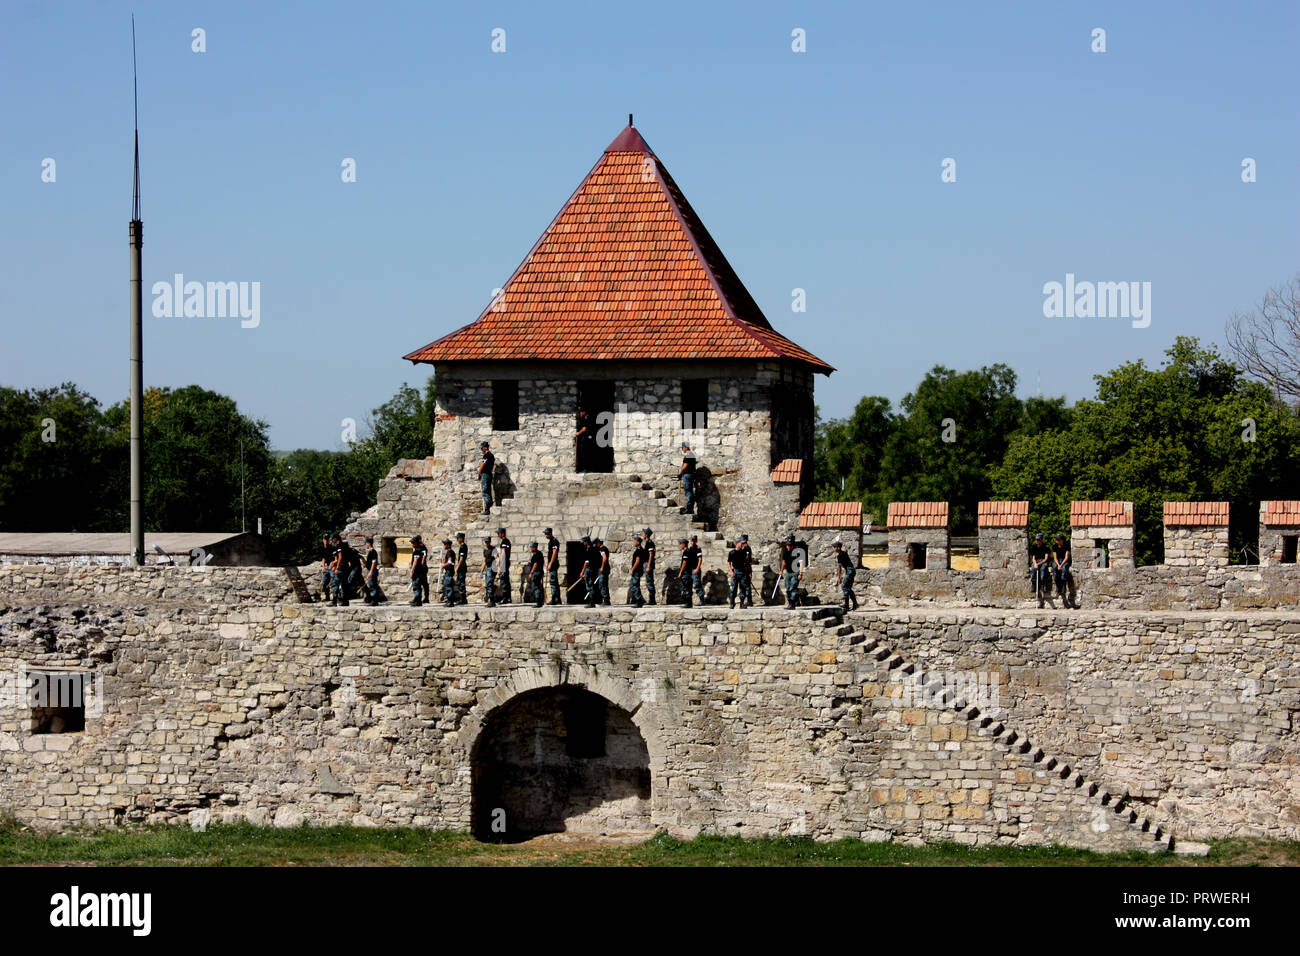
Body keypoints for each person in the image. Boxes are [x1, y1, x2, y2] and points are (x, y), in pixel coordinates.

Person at [1052, 533, 1077, 608]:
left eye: (1059, 540)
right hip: (1057, 561)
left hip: (1064, 561)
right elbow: (1055, 557)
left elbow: (1066, 557)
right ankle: (1058, 587)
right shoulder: (1054, 546)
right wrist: (1058, 565)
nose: (1057, 541)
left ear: (1062, 540)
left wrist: (1061, 564)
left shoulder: (1066, 546)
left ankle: (1063, 587)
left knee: (1064, 571)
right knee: (1055, 570)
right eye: (1057, 540)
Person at [834, 539, 859, 611]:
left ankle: (846, 605)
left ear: (838, 547)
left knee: (844, 587)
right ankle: (855, 604)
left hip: (849, 571)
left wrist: (839, 577)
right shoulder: (844, 553)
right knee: (848, 588)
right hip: (852, 570)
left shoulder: (840, 555)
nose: (834, 548)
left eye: (835, 547)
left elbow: (839, 568)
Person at [779, 535, 802, 609]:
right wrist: (781, 571)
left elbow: (801, 563)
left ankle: (792, 604)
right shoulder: (786, 553)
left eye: (790, 545)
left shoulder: (797, 553)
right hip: (788, 573)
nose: (788, 547)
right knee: (788, 588)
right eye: (787, 545)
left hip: (795, 572)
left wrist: (800, 573)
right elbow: (784, 562)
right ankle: (790, 602)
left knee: (793, 588)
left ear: (793, 545)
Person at [1029, 532, 1050, 608]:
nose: (1038, 541)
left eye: (1039, 540)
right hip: (1036, 561)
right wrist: (1035, 563)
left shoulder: (1046, 547)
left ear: (1042, 540)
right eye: (1037, 540)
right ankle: (1034, 585)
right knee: (1034, 570)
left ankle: (1043, 585)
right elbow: (1033, 558)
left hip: (1043, 561)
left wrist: (1040, 563)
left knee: (1043, 569)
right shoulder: (1034, 547)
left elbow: (1046, 558)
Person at [361, 536, 383, 605]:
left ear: (369, 543)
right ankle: (373, 600)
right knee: (372, 585)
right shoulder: (370, 552)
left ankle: (374, 600)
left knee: (372, 585)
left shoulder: (373, 552)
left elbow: (374, 562)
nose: (366, 545)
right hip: (370, 569)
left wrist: (370, 571)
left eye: (366, 543)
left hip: (372, 570)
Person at [409, 534, 429, 606]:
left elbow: (416, 561)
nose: (412, 544)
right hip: (419, 570)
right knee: (418, 585)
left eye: (413, 543)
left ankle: (418, 600)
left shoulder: (418, 551)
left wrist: (412, 571)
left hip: (418, 570)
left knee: (417, 585)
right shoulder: (418, 549)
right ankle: (417, 599)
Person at [727, 536, 747, 609]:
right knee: (734, 589)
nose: (743, 545)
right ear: (738, 543)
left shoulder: (743, 552)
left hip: (742, 572)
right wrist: (731, 572)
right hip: (735, 571)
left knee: (743, 588)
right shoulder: (732, 553)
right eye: (742, 543)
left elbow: (746, 563)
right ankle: (732, 603)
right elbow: (729, 563)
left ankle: (742, 603)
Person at [544, 528, 562, 605]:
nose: (546, 535)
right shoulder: (551, 541)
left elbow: (554, 553)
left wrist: (550, 563)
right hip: (551, 563)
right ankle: (558, 599)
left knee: (553, 582)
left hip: (554, 564)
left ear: (550, 533)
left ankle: (554, 599)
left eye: (547, 534)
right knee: (554, 582)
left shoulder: (554, 541)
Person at [628, 534, 647, 607]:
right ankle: (639, 600)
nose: (633, 542)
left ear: (638, 542)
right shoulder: (640, 549)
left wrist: (632, 569)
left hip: (637, 570)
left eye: (634, 541)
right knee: (635, 585)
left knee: (635, 585)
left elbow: (637, 561)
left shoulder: (639, 550)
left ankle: (639, 601)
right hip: (638, 570)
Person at [579, 535, 598, 607]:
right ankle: (591, 601)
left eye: (584, 542)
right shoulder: (593, 549)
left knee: (589, 585)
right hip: (593, 569)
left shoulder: (589, 550)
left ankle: (592, 602)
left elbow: (586, 562)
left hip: (589, 569)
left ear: (587, 542)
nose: (583, 543)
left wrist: (582, 572)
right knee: (591, 585)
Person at [679, 443, 697, 515]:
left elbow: (685, 465)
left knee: (688, 492)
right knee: (690, 491)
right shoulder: (692, 455)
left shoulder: (688, 455)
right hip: (691, 474)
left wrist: (680, 473)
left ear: (685, 447)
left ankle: (689, 509)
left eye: (682, 448)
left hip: (687, 475)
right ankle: (690, 508)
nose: (682, 449)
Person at [477, 442, 495, 515]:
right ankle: (489, 508)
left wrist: (479, 473)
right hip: (489, 474)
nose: (481, 449)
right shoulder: (491, 455)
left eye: (482, 448)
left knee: (485, 491)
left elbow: (483, 464)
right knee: (488, 490)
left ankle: (487, 509)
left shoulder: (486, 455)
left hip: (485, 474)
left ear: (485, 447)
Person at [495, 528, 512, 604]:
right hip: (506, 562)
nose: (498, 535)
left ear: (502, 533)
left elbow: (503, 553)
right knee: (506, 581)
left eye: (498, 533)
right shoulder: (507, 541)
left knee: (503, 581)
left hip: (504, 563)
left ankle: (505, 598)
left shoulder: (504, 542)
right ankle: (508, 598)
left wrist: (499, 564)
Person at [525, 541, 545, 608]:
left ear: (534, 547)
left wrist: (531, 573)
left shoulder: (537, 554)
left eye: (531, 547)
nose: (530, 548)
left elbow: (535, 564)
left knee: (535, 587)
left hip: (536, 572)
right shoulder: (539, 553)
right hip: (539, 572)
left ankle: (538, 602)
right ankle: (540, 601)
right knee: (538, 586)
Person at [594, 536, 612, 605]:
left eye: (596, 544)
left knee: (602, 584)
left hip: (604, 569)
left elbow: (604, 558)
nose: (595, 546)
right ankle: (606, 599)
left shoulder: (602, 549)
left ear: (598, 543)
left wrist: (602, 567)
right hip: (606, 569)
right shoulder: (603, 549)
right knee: (604, 584)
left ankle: (606, 600)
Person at [439, 539, 457, 607]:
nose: (444, 546)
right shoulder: (450, 552)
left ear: (448, 545)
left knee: (448, 585)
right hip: (449, 570)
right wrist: (443, 561)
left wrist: (443, 565)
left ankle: (450, 601)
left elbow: (449, 562)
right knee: (447, 584)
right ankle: (449, 600)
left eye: (445, 544)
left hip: (449, 571)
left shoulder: (449, 552)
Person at [481, 536, 498, 607]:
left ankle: (492, 600)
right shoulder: (485, 550)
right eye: (485, 542)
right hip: (488, 568)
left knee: (489, 583)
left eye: (487, 542)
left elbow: (497, 558)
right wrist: (481, 570)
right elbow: (484, 560)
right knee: (488, 584)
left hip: (492, 567)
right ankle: (492, 599)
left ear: (490, 542)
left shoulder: (493, 549)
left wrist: (498, 568)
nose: (486, 543)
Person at [739, 533, 754, 608]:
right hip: (743, 569)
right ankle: (748, 601)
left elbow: (747, 560)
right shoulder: (743, 548)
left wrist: (749, 572)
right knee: (745, 585)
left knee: (746, 586)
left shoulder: (747, 548)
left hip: (746, 569)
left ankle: (749, 601)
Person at [642, 528, 657, 605]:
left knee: (649, 581)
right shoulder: (647, 543)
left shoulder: (650, 543)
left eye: (643, 533)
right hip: (647, 563)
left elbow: (651, 555)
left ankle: (652, 600)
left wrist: (648, 566)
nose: (642, 534)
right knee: (649, 581)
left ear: (646, 534)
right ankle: (652, 599)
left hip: (648, 563)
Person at [454, 533, 469, 606]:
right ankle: (462, 598)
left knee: (461, 583)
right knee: (459, 582)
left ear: (461, 538)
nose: (457, 540)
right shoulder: (462, 547)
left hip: (462, 567)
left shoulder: (463, 547)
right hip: (462, 566)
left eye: (458, 538)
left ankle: (463, 599)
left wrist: (457, 568)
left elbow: (461, 559)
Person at [319, 533, 334, 602]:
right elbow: (323, 558)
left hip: (332, 566)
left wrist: (333, 565)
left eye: (327, 539)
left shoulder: (332, 548)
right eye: (325, 539)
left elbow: (335, 558)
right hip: (327, 566)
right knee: (324, 582)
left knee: (333, 581)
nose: (326, 541)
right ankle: (327, 596)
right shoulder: (322, 548)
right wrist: (323, 566)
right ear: (323, 540)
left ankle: (336, 596)